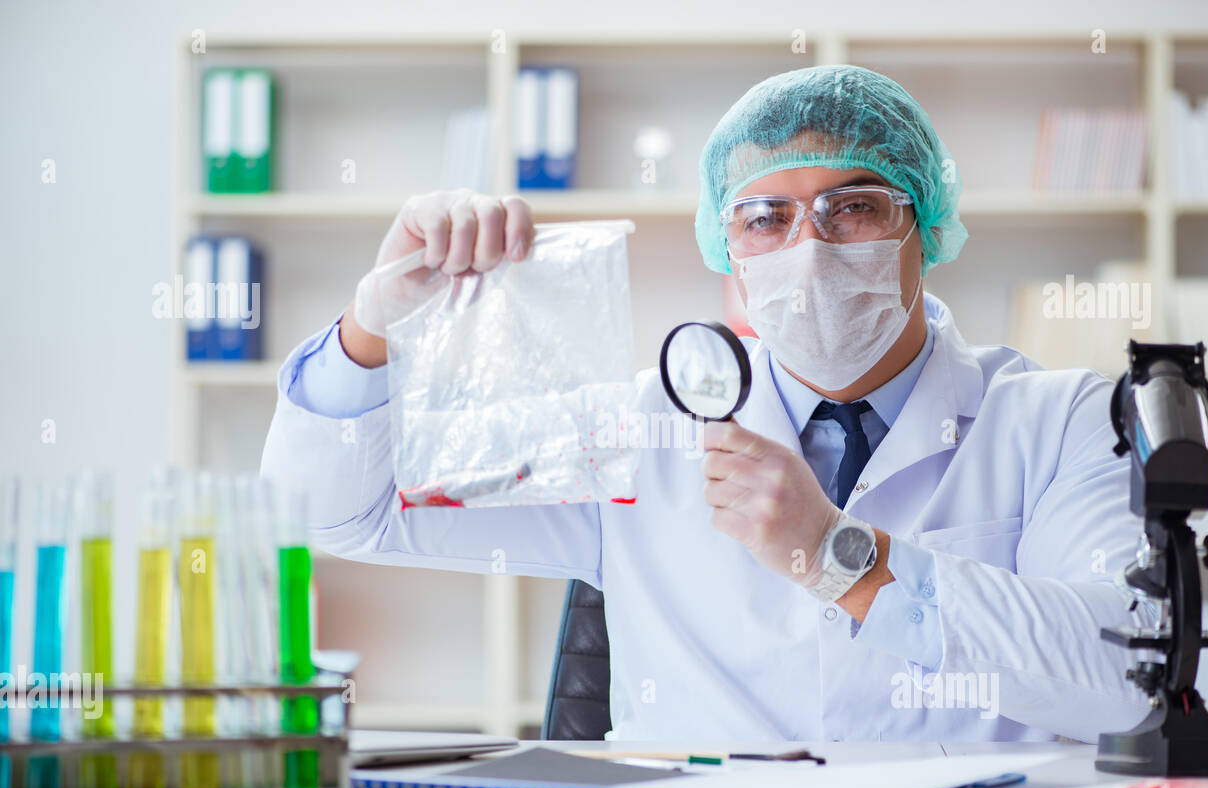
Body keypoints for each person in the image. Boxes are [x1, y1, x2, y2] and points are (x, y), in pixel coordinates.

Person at [261, 64, 1155, 742]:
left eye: (854, 208)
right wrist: (372, 331)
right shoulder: (639, 430)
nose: (809, 245)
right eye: (765, 217)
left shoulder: (1061, 418)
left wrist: (838, 555)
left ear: (926, 223)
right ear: (724, 247)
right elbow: (343, 515)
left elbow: (1124, 675)